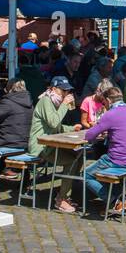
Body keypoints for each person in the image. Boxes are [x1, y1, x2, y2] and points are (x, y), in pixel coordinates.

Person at [82, 86, 126, 216]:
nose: (104, 106)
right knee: (109, 164)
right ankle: (120, 199)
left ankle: (114, 201)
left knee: (86, 175)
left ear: (108, 101)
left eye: (104, 103)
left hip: (119, 160)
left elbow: (89, 136)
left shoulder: (110, 114)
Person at [28, 77, 80, 213]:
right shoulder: (46, 101)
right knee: (72, 161)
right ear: (53, 89)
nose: (66, 93)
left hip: (50, 146)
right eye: (63, 90)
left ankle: (64, 195)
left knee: (78, 156)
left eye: (67, 90)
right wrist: (64, 105)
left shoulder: (53, 102)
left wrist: (71, 128)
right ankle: (61, 199)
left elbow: (55, 127)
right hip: (41, 147)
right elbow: (53, 122)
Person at [0, 79, 33, 175]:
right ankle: (21, 178)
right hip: (25, 142)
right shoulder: (29, 103)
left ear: (8, 89)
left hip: (9, 143)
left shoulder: (8, 102)